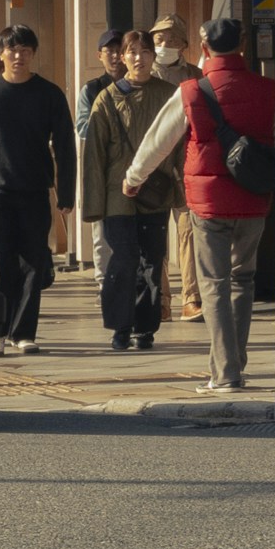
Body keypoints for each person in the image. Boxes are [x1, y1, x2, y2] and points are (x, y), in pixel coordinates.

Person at [126, 17, 275, 395]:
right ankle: (234, 366)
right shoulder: (269, 89)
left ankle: (225, 374)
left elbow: (159, 139)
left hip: (208, 204)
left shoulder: (192, 91)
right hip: (254, 197)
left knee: (214, 284)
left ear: (204, 48)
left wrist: (134, 178)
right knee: (244, 280)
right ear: (242, 44)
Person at [0, 29, 75, 351]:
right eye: (13, 49)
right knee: (0, 259)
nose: (19, 56)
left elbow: (64, 145)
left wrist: (67, 194)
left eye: (26, 50)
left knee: (34, 263)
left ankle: (23, 333)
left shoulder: (49, 94)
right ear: (1, 53)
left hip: (34, 189)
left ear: (34, 53)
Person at [81, 28, 178, 350]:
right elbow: (94, 155)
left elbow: (180, 145)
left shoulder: (169, 94)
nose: (139, 58)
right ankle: (120, 326)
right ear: (122, 58)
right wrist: (94, 205)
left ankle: (145, 327)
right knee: (123, 260)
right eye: (132, 52)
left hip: (155, 192)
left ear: (154, 56)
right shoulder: (107, 98)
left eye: (145, 51)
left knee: (153, 260)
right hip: (116, 195)